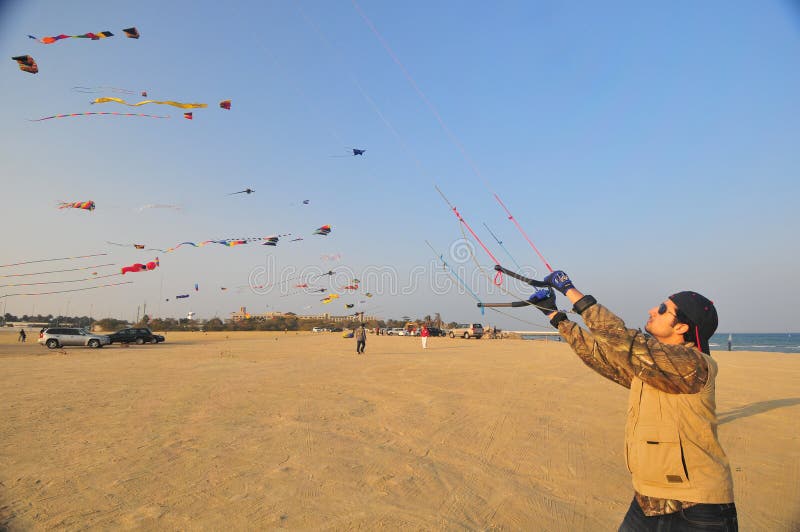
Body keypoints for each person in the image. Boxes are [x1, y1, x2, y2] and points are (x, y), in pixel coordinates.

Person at [529, 271, 737, 530]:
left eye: (663, 309)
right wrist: (556, 316)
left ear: (682, 327)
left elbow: (624, 341)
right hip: (648, 500)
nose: (652, 310)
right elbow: (602, 357)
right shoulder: (651, 367)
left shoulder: (692, 364)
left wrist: (570, 290)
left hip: (696, 507)